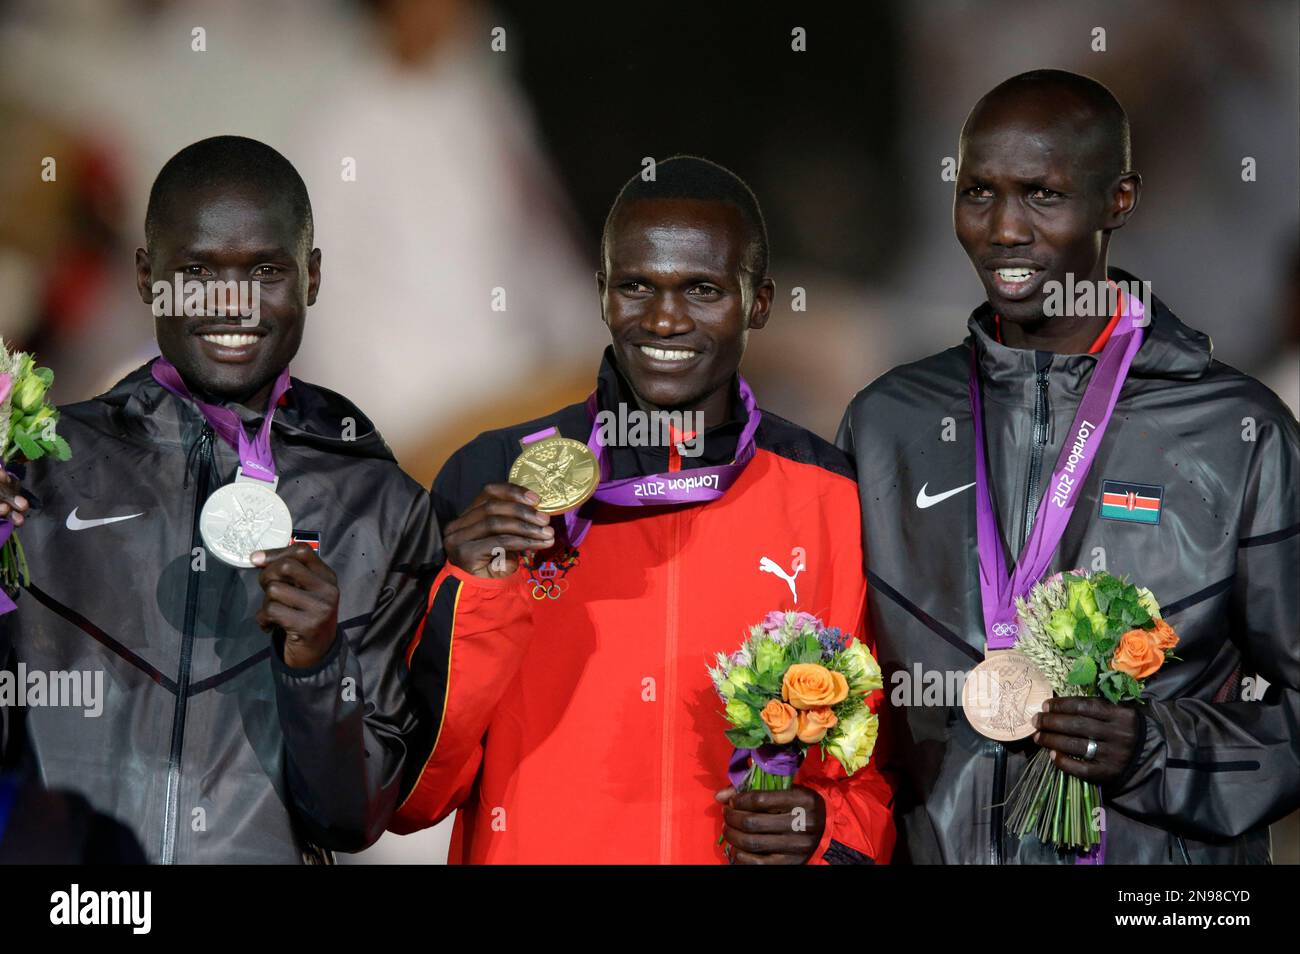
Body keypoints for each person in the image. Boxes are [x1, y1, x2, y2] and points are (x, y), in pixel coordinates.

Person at [0, 136, 523, 863]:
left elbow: (357, 814)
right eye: (197, 272)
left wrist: (316, 664)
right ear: (148, 277)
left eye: (266, 271)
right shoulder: (42, 469)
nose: (232, 304)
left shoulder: (378, 505)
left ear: (311, 276)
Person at [838, 70, 1300, 863]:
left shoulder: (1237, 432)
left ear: (1118, 201)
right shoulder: (887, 424)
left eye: (1042, 196)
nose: (1004, 228)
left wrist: (1157, 747)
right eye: (978, 193)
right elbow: (846, 699)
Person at [391, 157, 895, 864]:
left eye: (702, 290)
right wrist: (475, 593)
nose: (664, 318)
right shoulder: (491, 477)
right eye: (636, 286)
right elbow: (410, 795)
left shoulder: (833, 495)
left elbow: (874, 782)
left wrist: (823, 830)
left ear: (760, 302)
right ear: (601, 294)